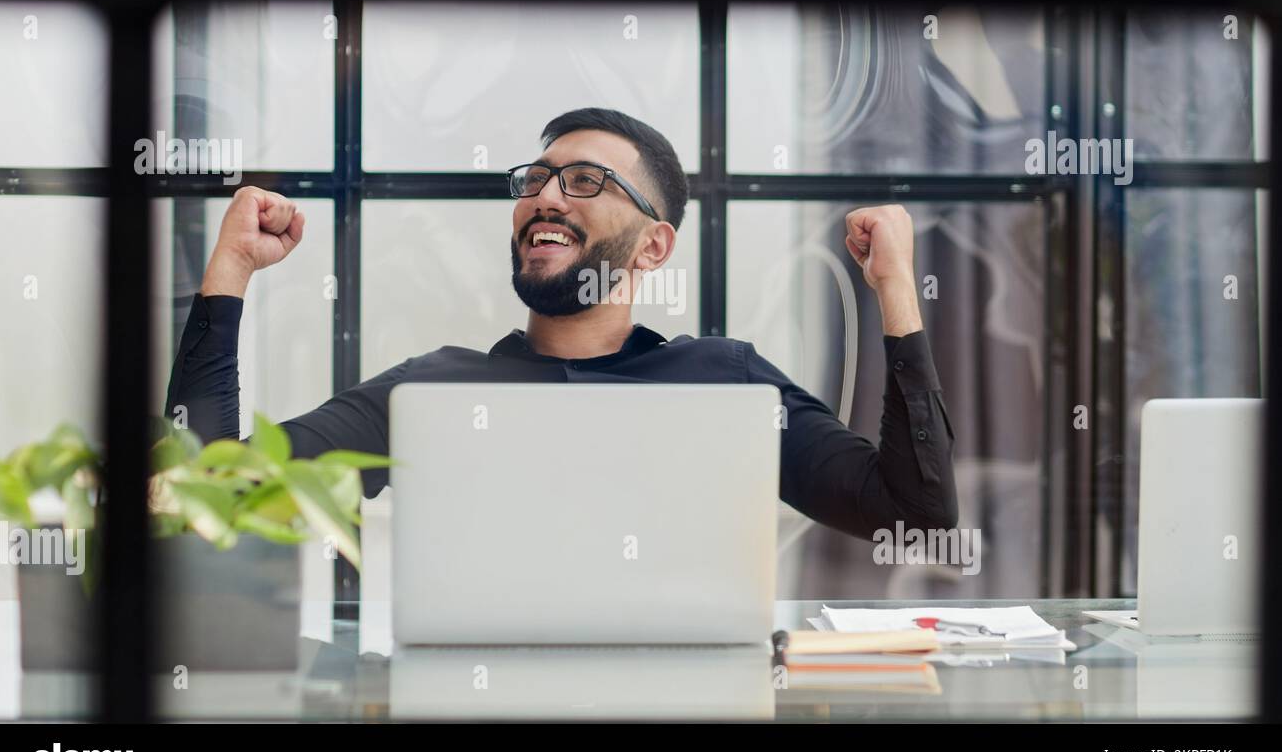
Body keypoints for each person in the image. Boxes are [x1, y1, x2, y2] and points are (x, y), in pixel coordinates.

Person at [165, 107, 956, 540]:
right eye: (536, 180)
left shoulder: (727, 382)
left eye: (585, 181)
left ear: (654, 246)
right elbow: (208, 494)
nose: (545, 196)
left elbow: (912, 514)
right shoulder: (430, 392)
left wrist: (895, 291)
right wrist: (229, 271)